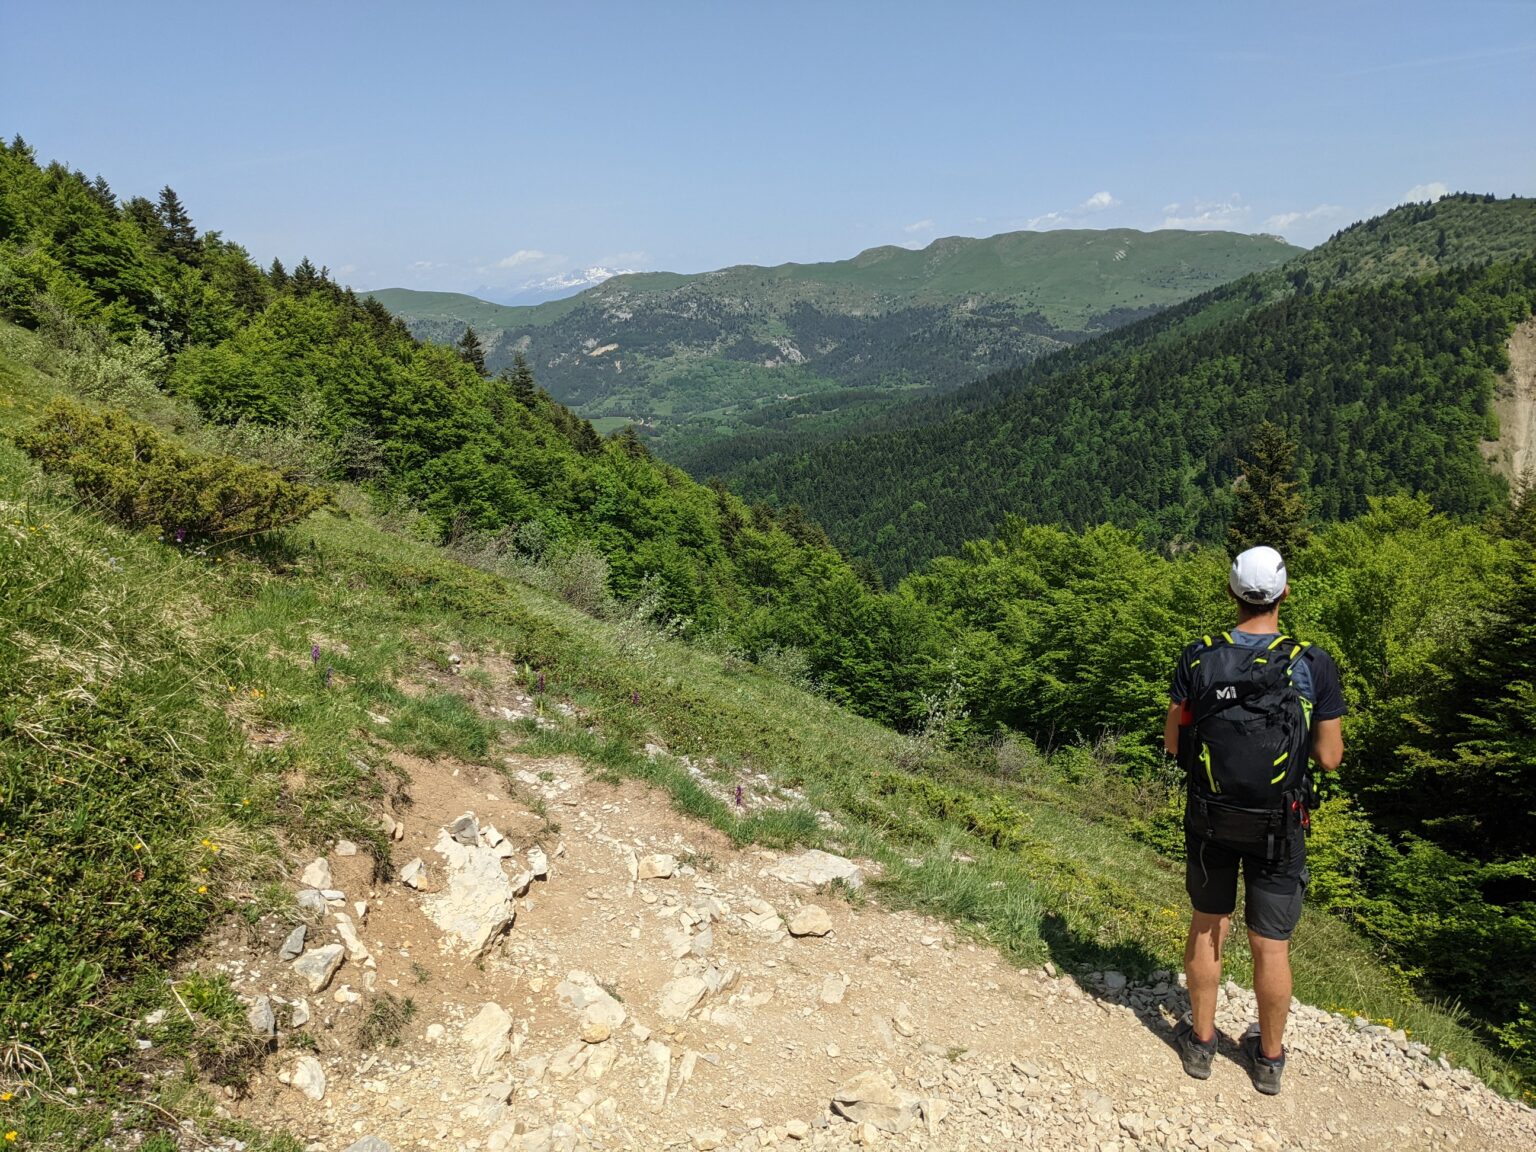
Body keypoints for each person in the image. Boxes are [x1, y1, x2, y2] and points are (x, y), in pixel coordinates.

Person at [1162, 545, 1345, 1094]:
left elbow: (1175, 743)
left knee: (1207, 923)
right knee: (1270, 944)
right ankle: (1268, 1060)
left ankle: (1200, 1044)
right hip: (1280, 826)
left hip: (1211, 819)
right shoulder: (1313, 663)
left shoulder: (1198, 657)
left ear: (1231, 594)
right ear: (1284, 593)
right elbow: (1331, 757)